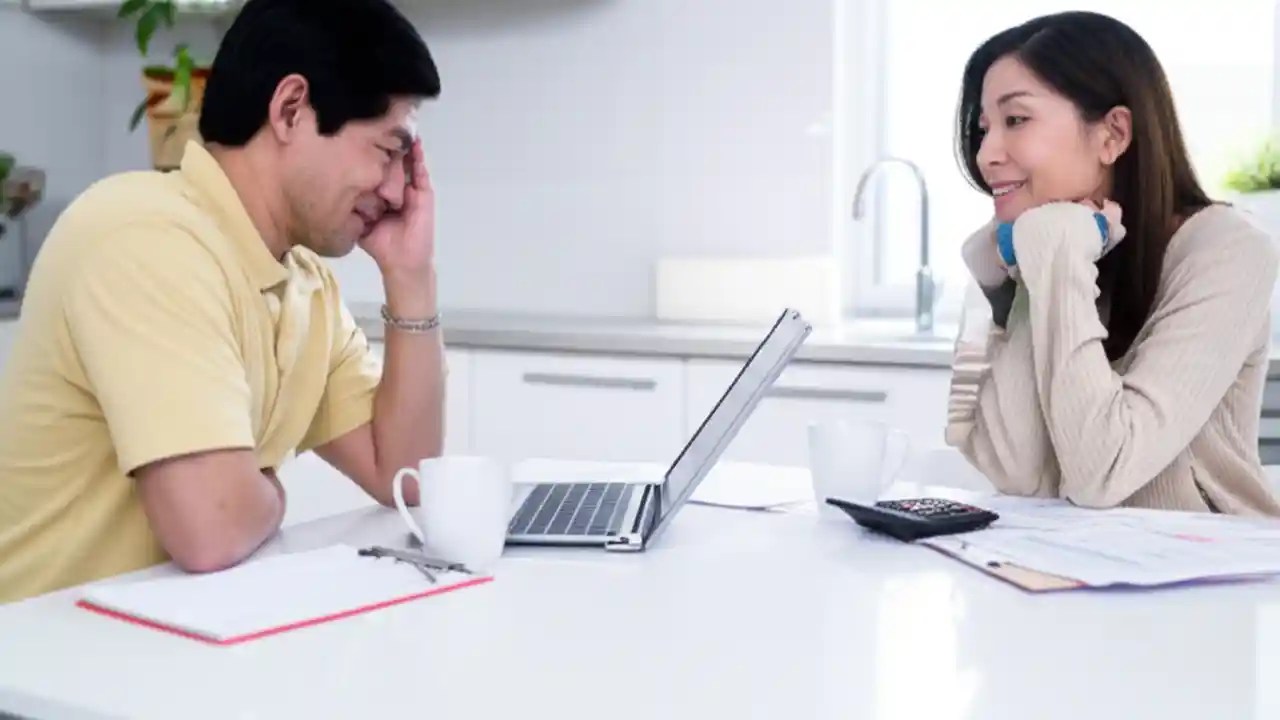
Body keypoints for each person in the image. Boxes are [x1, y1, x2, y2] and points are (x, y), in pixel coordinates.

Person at [0, 0, 447, 603]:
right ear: (291, 110)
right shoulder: (145, 236)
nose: (397, 190)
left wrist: (411, 275)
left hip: (170, 645)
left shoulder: (303, 282)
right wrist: (265, 492)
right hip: (43, 662)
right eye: (387, 150)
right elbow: (211, 529)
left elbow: (406, 477)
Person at [944, 11, 1280, 516]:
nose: (986, 154)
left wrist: (1053, 248)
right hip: (1077, 569)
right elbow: (1018, 473)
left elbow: (1105, 473)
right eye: (983, 127)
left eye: (1016, 120)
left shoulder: (1228, 251)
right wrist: (1031, 268)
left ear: (1113, 135)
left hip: (1209, 575)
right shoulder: (1060, 245)